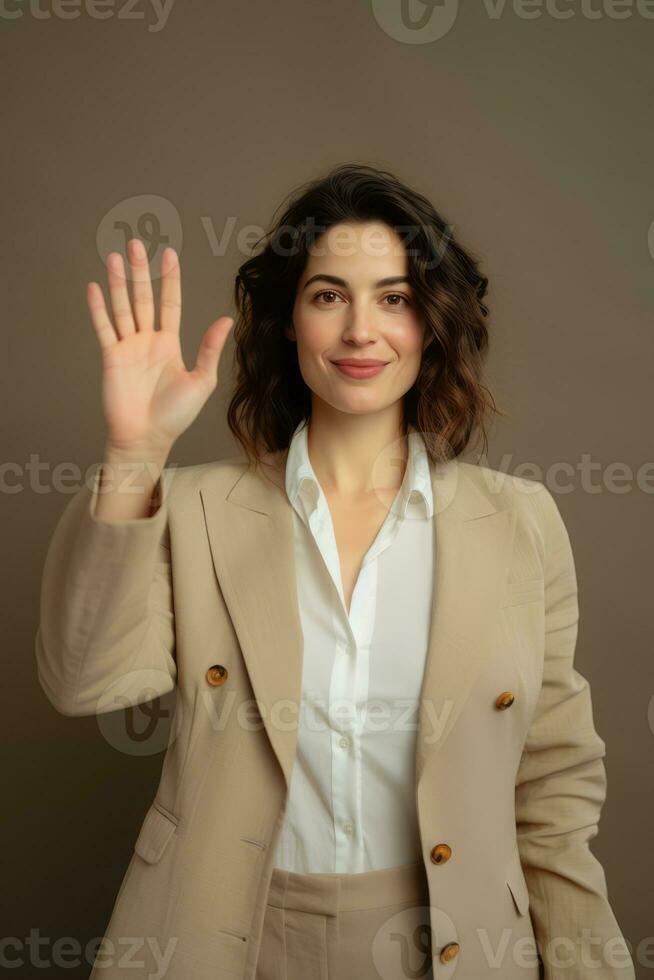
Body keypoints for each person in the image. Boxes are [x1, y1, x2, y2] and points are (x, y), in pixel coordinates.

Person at [35, 163, 635, 980]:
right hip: (224, 943)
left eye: (394, 297)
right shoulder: (192, 507)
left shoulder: (521, 523)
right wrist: (134, 457)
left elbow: (554, 792)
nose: (361, 331)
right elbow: (83, 682)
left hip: (459, 949)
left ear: (433, 321)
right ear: (289, 320)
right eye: (328, 295)